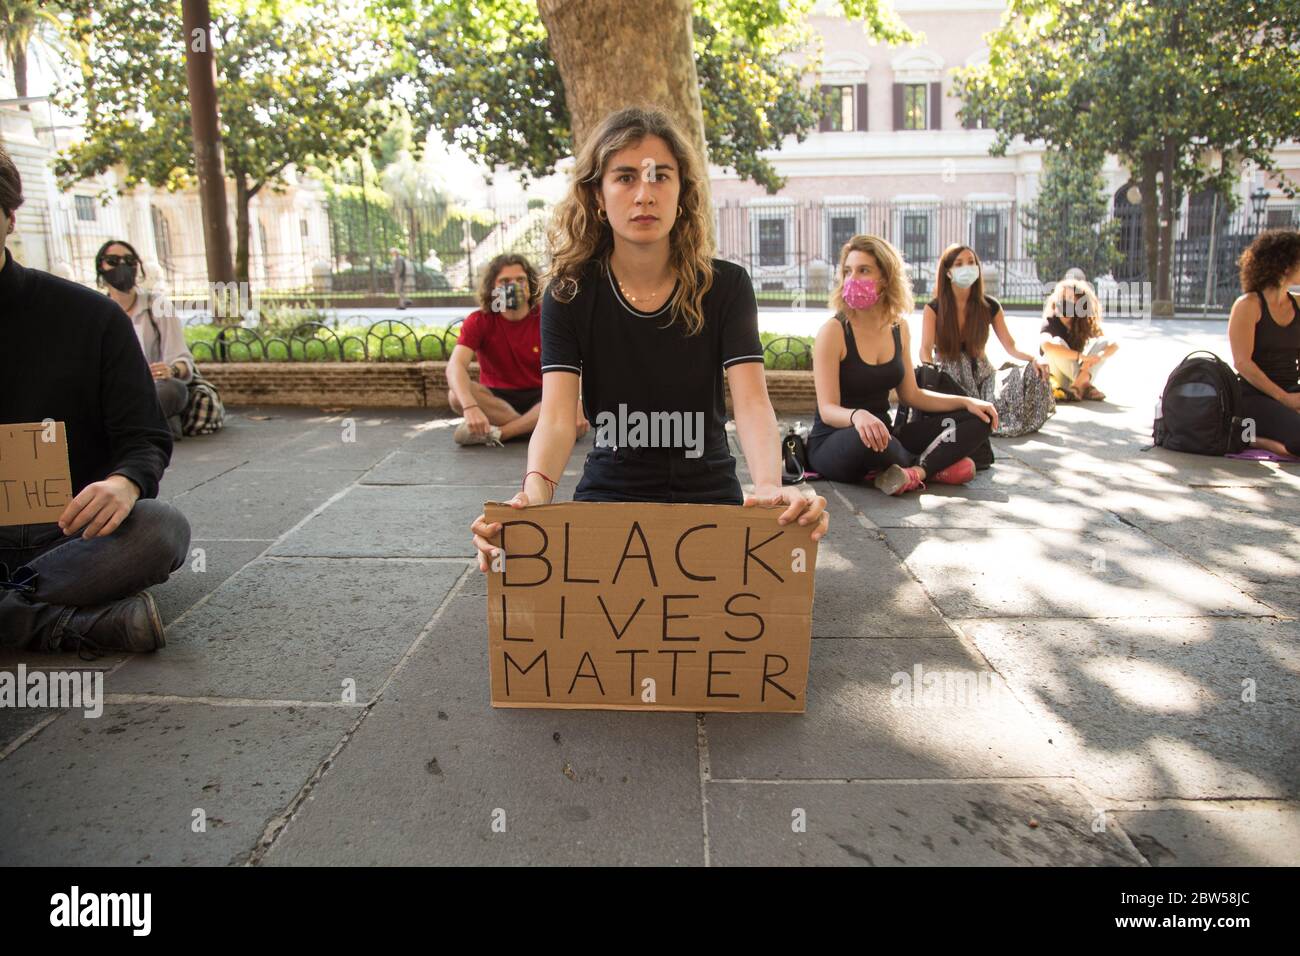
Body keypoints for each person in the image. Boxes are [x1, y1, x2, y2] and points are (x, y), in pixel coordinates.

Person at [470, 107, 827, 570]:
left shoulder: (727, 287)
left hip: (709, 493)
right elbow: (558, 418)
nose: (644, 194)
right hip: (609, 493)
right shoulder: (569, 294)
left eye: (661, 176)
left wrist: (768, 487)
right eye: (624, 177)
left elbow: (753, 404)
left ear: (682, 191)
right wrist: (530, 498)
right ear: (598, 195)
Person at [0, 144, 190, 654]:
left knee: (161, 529)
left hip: (69, 534)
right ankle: (47, 622)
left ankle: (17, 611)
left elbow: (144, 437)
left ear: (10, 218)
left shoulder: (91, 319)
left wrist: (124, 484)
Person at [807, 235, 998, 495]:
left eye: (863, 271)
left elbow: (912, 395)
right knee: (869, 438)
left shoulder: (899, 328)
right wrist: (857, 416)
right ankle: (931, 466)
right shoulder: (834, 331)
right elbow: (828, 409)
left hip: (885, 436)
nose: (852, 279)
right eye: (847, 271)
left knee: (980, 418)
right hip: (838, 440)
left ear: (885, 278)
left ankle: (916, 472)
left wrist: (966, 402)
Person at [447, 253, 588, 446]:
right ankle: (535, 428)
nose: (513, 286)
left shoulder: (548, 316)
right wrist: (470, 406)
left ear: (530, 285)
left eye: (520, 280)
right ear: (492, 288)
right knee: (456, 396)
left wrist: (578, 401)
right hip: (497, 398)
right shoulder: (480, 320)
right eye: (504, 281)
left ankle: (501, 433)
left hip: (543, 394)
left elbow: (576, 363)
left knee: (565, 402)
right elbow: (455, 365)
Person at [920, 243, 1051, 434]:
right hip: (949, 379)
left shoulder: (990, 306)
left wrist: (1034, 359)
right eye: (959, 264)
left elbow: (1011, 346)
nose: (966, 267)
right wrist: (928, 373)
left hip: (984, 376)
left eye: (971, 262)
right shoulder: (934, 308)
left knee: (1035, 373)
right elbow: (924, 348)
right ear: (948, 272)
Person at [94, 239, 196, 440]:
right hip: (115, 392)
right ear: (101, 267)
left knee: (172, 390)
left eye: (129, 260)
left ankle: (127, 429)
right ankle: (151, 427)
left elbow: (182, 361)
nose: (122, 266)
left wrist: (171, 370)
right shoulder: (96, 311)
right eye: (113, 260)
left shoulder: (157, 305)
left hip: (154, 388)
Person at [1228, 229, 1300, 457]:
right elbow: (1242, 363)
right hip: (1254, 395)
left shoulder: (1298, 303)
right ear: (1285, 265)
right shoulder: (1248, 305)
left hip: (1291, 390)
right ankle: (1250, 439)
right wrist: (1285, 399)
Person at [1039, 277, 1118, 401]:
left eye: (1071, 299)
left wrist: (1097, 357)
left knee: (1102, 343)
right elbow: (1046, 345)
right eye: (1063, 298)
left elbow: (1113, 344)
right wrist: (1082, 357)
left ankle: (1077, 387)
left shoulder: (1080, 322)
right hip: (1055, 376)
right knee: (1057, 342)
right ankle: (1085, 386)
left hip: (1074, 374)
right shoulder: (1051, 320)